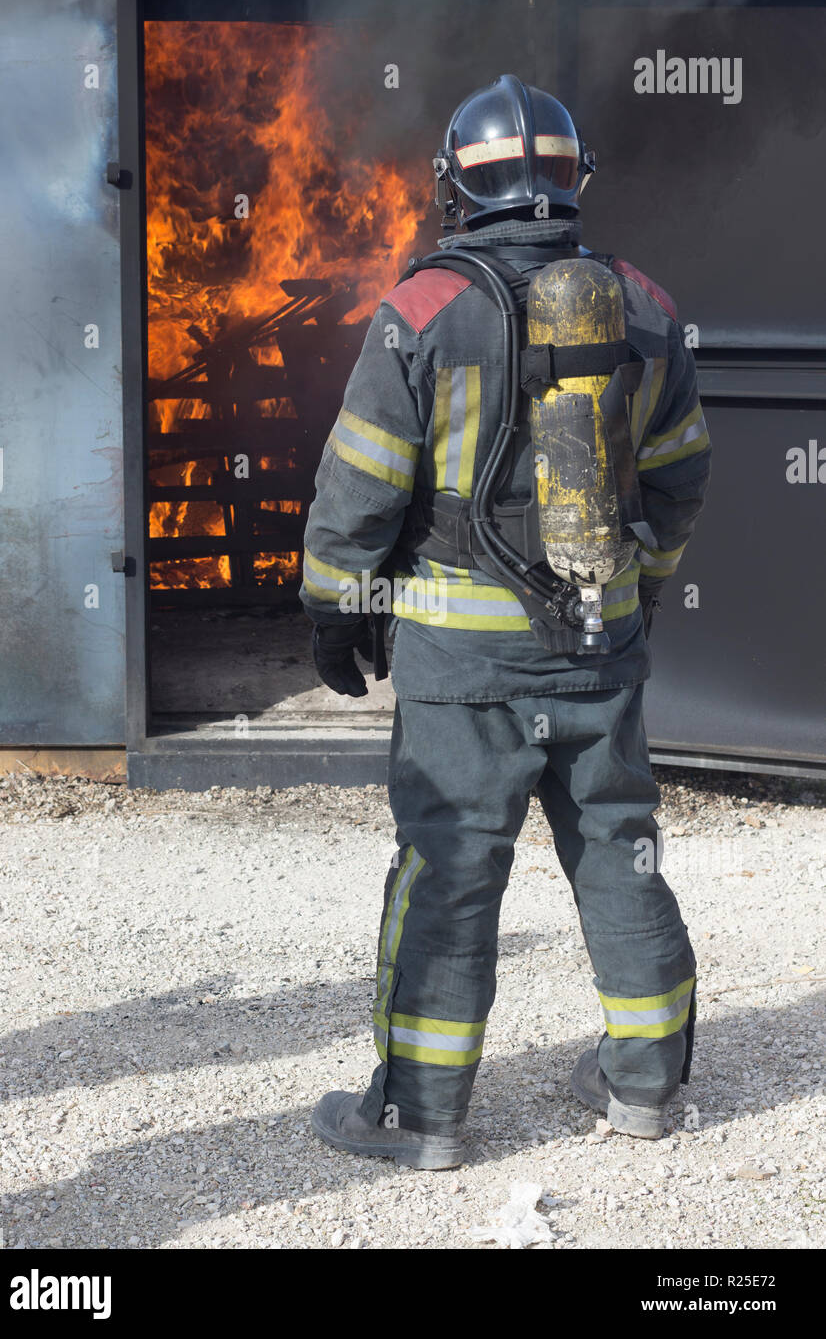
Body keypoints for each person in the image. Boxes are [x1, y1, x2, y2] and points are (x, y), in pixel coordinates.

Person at [300, 74, 711, 1169]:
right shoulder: (644, 306)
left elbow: (360, 487)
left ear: (452, 189)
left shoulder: (424, 312)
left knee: (447, 870)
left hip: (460, 664)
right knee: (620, 854)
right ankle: (644, 1090)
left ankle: (421, 1118)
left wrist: (336, 610)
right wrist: (641, 591)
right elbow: (674, 481)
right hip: (598, 646)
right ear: (574, 181)